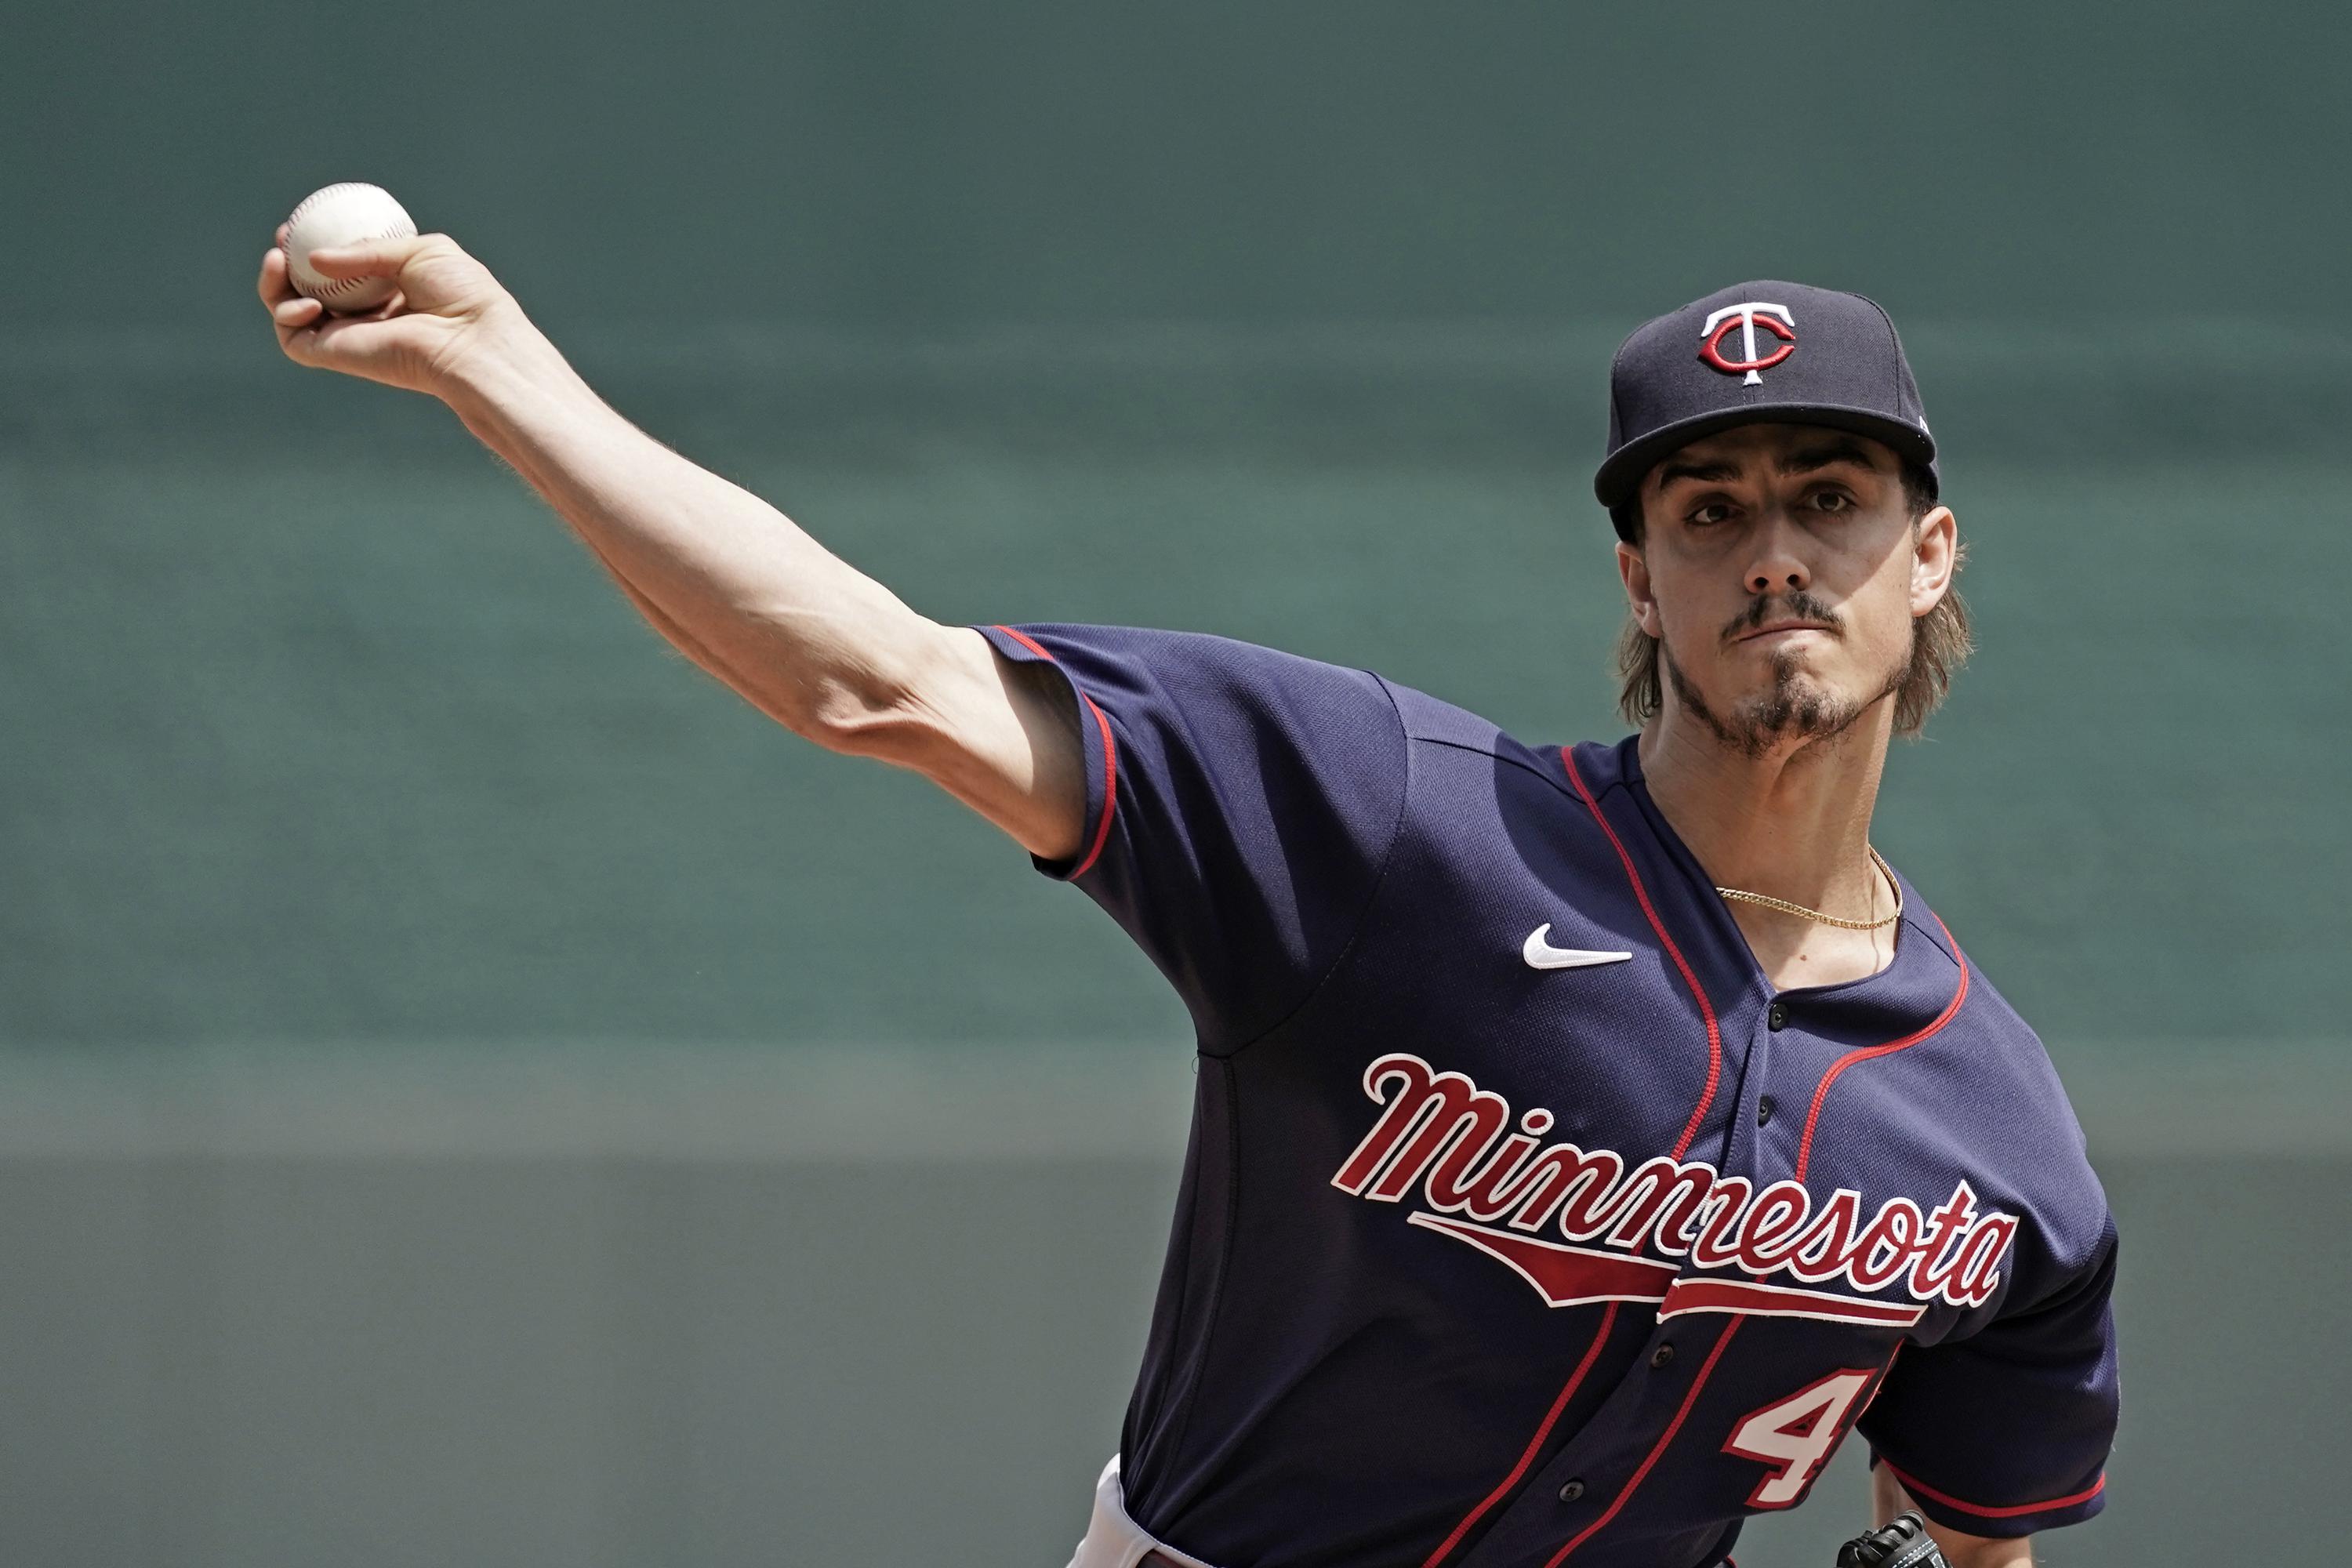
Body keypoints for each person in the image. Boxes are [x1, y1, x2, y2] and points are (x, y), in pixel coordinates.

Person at [257, 234, 2119, 1568]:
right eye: (1706, 510)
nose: (1773, 550)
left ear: (1928, 548)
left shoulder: (1998, 1129)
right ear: (1637, 577)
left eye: (1830, 495)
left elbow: (1976, 1532)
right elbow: (876, 681)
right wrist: (489, 356)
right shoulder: (1403, 830)